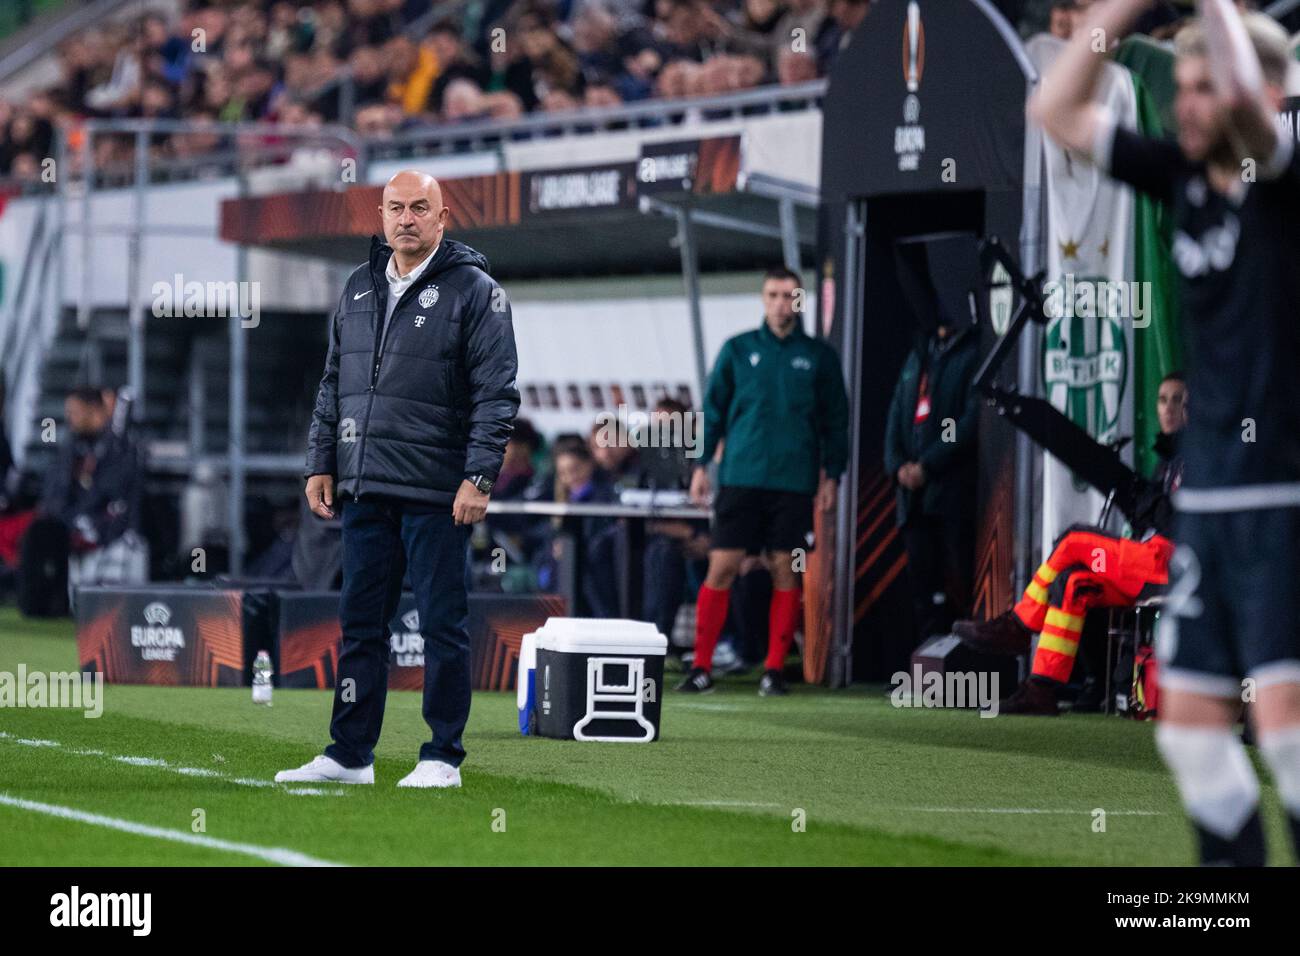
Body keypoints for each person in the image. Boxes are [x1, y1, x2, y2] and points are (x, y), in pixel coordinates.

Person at [1030, 0, 1300, 865]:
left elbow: (1255, 127)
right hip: (1210, 508)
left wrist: (1219, 8)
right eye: (1177, 86)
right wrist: (1121, 9)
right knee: (1188, 735)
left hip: (1281, 504)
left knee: (1288, 740)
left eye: (1203, 85)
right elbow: (1057, 111)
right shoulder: (1180, 180)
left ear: (1258, 89)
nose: (1185, 102)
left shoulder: (1282, 174)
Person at [278, 170, 520, 790]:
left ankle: (442, 756)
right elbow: (334, 384)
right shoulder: (358, 287)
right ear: (381, 216)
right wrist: (320, 460)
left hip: (438, 491)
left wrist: (478, 477)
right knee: (360, 625)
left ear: (443, 219)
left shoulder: (477, 292)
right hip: (365, 487)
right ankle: (350, 754)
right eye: (395, 208)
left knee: (442, 626)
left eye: (419, 208)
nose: (406, 218)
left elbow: (497, 394)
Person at [956, 372, 1188, 714]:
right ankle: (1042, 689)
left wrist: (1151, 505)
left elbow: (1187, 524)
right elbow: (1153, 517)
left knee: (1075, 540)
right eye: (1163, 399)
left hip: (1173, 566)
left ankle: (1019, 625)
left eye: (1179, 400)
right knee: (1073, 583)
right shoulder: (1166, 461)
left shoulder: (1200, 456)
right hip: (1147, 567)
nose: (1169, 408)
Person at [678, 266, 849, 696]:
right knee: (723, 566)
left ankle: (773, 670)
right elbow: (713, 411)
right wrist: (701, 466)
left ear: (800, 301)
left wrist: (834, 474)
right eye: (773, 294)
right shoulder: (737, 349)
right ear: (763, 298)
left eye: (790, 295)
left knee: (786, 569)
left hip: (795, 482)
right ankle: (701, 667)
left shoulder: (819, 356)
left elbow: (836, 421)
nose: (781, 302)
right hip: (740, 477)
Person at [883, 246, 981, 647]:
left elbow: (969, 421)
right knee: (921, 580)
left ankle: (963, 657)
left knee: (957, 574)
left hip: (948, 491)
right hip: (911, 496)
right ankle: (927, 657)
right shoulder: (917, 354)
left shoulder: (973, 352)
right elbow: (895, 415)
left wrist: (928, 464)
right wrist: (898, 465)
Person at [33, 386, 145, 613]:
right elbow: (57, 491)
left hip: (113, 535)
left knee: (114, 608)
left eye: (74, 411)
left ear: (93, 409)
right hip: (76, 530)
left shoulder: (119, 446)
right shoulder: (73, 445)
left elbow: (113, 492)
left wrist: (87, 520)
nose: (69, 417)